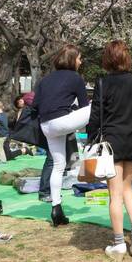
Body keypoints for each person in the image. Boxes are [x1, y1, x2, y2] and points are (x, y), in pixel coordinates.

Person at [84, 40, 132, 256]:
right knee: (128, 188)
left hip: (111, 143)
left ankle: (119, 242)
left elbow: (94, 117)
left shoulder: (102, 83)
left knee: (115, 194)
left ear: (107, 59)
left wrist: (90, 140)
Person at [34, 44, 92, 226]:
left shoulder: (44, 80)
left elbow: (35, 105)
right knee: (95, 106)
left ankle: (56, 207)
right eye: (79, 58)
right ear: (72, 60)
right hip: (62, 123)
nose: (80, 61)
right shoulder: (75, 78)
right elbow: (84, 105)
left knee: (58, 166)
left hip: (46, 125)